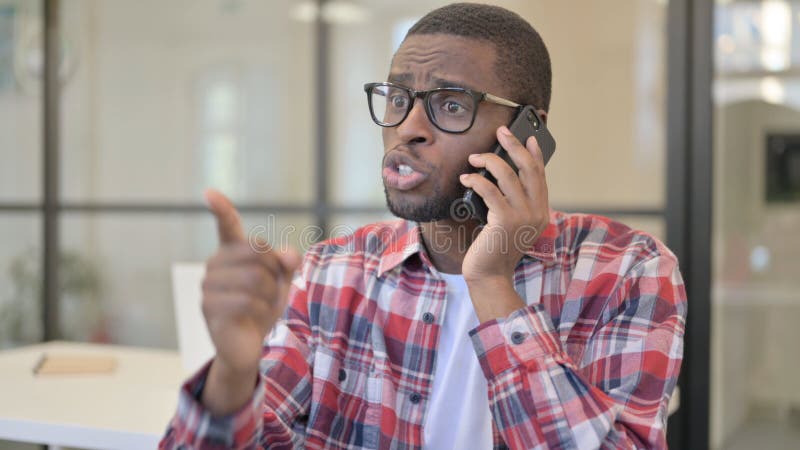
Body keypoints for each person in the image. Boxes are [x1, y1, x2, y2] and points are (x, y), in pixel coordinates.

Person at [160, 3, 686, 449]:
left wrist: (492, 284)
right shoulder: (332, 272)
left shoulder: (629, 272)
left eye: (450, 104)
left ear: (528, 133)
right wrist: (231, 374)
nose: (407, 130)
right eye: (397, 98)